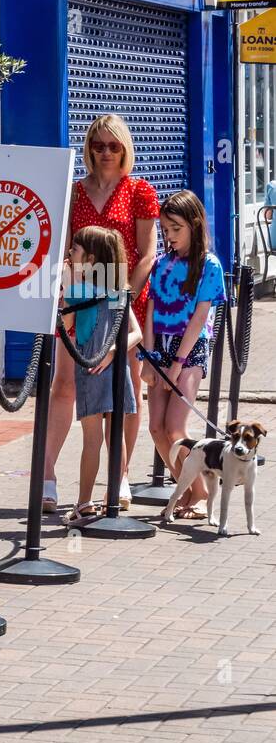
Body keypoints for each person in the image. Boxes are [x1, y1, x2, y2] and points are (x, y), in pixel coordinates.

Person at [42, 115, 159, 513]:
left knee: (126, 393)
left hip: (122, 300)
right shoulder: (74, 192)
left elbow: (147, 254)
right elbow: (64, 249)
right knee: (63, 385)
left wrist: (123, 298)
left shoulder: (140, 191)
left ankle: (119, 475)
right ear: (89, 148)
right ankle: (47, 477)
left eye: (114, 145)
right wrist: (67, 294)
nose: (106, 152)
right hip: (78, 302)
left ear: (125, 148)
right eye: (98, 145)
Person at [142, 190, 227, 520]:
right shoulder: (162, 264)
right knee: (156, 428)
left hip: (189, 349)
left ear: (194, 224)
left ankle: (200, 492)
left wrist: (177, 364)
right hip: (160, 346)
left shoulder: (209, 265)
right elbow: (150, 310)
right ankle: (189, 489)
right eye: (165, 230)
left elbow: (200, 318)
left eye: (176, 228)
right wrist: (149, 358)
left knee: (175, 428)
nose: (169, 236)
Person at [61, 227, 141, 525]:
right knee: (115, 436)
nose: (69, 254)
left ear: (90, 259)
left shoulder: (77, 292)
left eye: (75, 251)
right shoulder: (118, 291)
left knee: (92, 440)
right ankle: (115, 495)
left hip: (90, 368)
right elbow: (136, 333)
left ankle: (84, 502)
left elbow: (66, 325)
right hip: (117, 368)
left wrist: (67, 285)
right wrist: (113, 352)